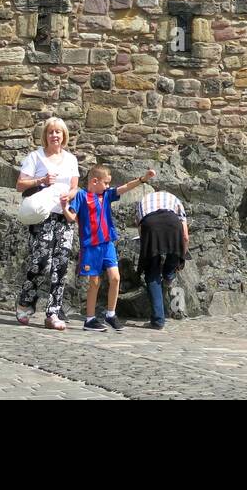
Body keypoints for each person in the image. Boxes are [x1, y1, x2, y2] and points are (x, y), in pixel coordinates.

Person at [69, 164, 156, 331]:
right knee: (94, 282)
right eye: (106, 183)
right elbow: (72, 214)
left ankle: (110, 314)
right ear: (95, 181)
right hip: (91, 245)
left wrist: (142, 179)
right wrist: (65, 205)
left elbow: (124, 188)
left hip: (107, 243)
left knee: (115, 278)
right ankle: (89, 319)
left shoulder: (107, 195)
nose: (108, 186)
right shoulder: (81, 196)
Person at [15, 117, 80, 329]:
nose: (55, 135)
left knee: (61, 264)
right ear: (46, 135)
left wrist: (67, 197)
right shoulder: (35, 157)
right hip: (42, 216)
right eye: (51, 132)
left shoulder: (71, 159)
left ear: (64, 136)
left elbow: (74, 187)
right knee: (41, 261)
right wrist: (41, 181)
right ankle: (26, 302)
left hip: (63, 216)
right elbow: (20, 185)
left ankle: (53, 312)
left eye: (58, 132)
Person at [136, 189, 189, 330]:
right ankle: (168, 274)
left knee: (152, 272)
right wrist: (181, 257)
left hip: (150, 225)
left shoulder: (143, 200)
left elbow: (141, 229)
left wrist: (147, 252)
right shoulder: (175, 199)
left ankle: (158, 321)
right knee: (174, 252)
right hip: (173, 223)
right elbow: (185, 236)